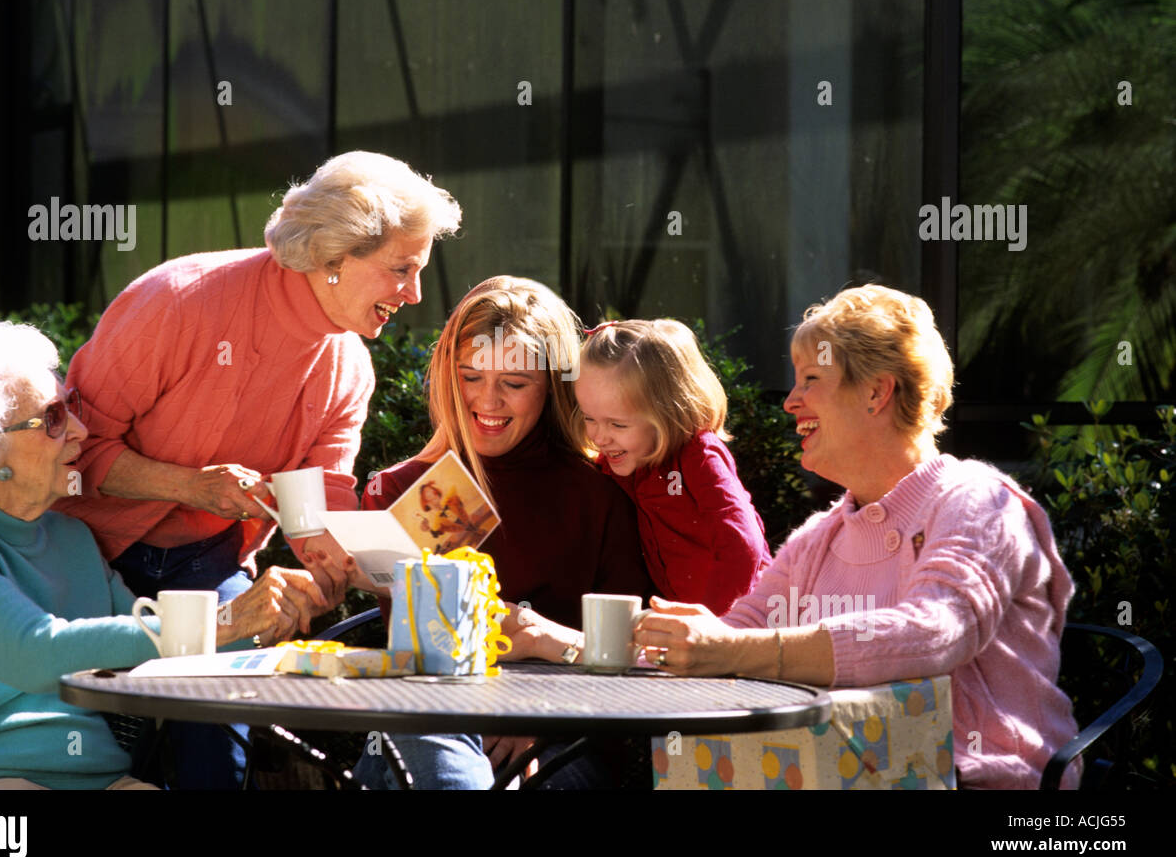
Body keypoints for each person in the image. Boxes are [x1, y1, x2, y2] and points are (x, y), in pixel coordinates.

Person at [52, 151, 461, 786]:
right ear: (333, 258)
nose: (413, 294)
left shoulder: (348, 368)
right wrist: (190, 486)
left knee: (215, 745)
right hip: (86, 554)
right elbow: (70, 456)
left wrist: (345, 565)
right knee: (92, 753)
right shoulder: (177, 303)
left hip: (208, 565)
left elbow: (314, 508)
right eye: (401, 270)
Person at [628, 284, 1080, 789]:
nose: (791, 402)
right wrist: (572, 647)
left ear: (876, 392)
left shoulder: (978, 502)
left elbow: (934, 633)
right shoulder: (819, 538)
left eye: (811, 380)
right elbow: (730, 636)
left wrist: (733, 649)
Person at [0, 321, 328, 790]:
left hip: (100, 780)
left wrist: (270, 621)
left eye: (71, 407)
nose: (81, 430)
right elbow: (37, 652)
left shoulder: (73, 537)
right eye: (54, 418)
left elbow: (163, 650)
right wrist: (227, 620)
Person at [354, 276, 651, 788]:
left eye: (514, 384)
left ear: (554, 386)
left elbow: (630, 659)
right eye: (470, 376)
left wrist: (539, 715)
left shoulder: (602, 492)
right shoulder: (403, 490)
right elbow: (420, 660)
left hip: (564, 727)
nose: (488, 401)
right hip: (433, 718)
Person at [573, 319, 771, 614]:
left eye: (617, 423)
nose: (599, 436)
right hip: (686, 628)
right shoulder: (629, 460)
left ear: (668, 413)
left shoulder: (699, 457)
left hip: (745, 621)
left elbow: (743, 545)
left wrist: (716, 624)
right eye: (589, 418)